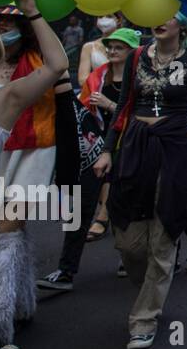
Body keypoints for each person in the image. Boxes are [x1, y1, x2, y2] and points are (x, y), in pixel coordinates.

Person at [90, 13, 187, 349]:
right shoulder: (138, 57)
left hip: (176, 145)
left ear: (182, 25)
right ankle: (150, 289)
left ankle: (144, 319)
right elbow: (124, 106)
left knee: (162, 235)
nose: (159, 21)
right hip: (136, 143)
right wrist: (108, 149)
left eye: (167, 16)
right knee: (130, 244)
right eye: (155, 14)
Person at [0, 0, 69, 349]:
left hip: (25, 159)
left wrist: (32, 8)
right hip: (1, 164)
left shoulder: (4, 95)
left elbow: (57, 68)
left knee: (11, 231)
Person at [37, 27, 141, 293]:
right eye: (111, 46)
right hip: (95, 151)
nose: (113, 51)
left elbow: (143, 118)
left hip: (128, 149)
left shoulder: (140, 78)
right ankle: (65, 271)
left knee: (123, 207)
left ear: (132, 51)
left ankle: (127, 257)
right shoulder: (98, 75)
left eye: (120, 47)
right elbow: (82, 110)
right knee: (78, 210)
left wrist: (108, 105)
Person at [77, 14, 121, 88]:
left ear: (119, 20)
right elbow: (82, 80)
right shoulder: (89, 47)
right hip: (96, 93)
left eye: (109, 16)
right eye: (100, 17)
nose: (104, 20)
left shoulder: (127, 47)